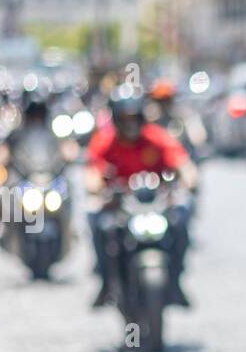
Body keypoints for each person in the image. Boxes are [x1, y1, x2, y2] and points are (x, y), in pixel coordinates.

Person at [85, 92, 199, 308]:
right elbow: (93, 170)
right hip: (121, 206)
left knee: (181, 220)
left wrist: (189, 179)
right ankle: (106, 281)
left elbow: (183, 163)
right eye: (124, 119)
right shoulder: (105, 141)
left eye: (134, 118)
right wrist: (96, 186)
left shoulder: (157, 137)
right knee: (96, 220)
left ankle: (175, 280)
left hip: (155, 206)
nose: (130, 125)